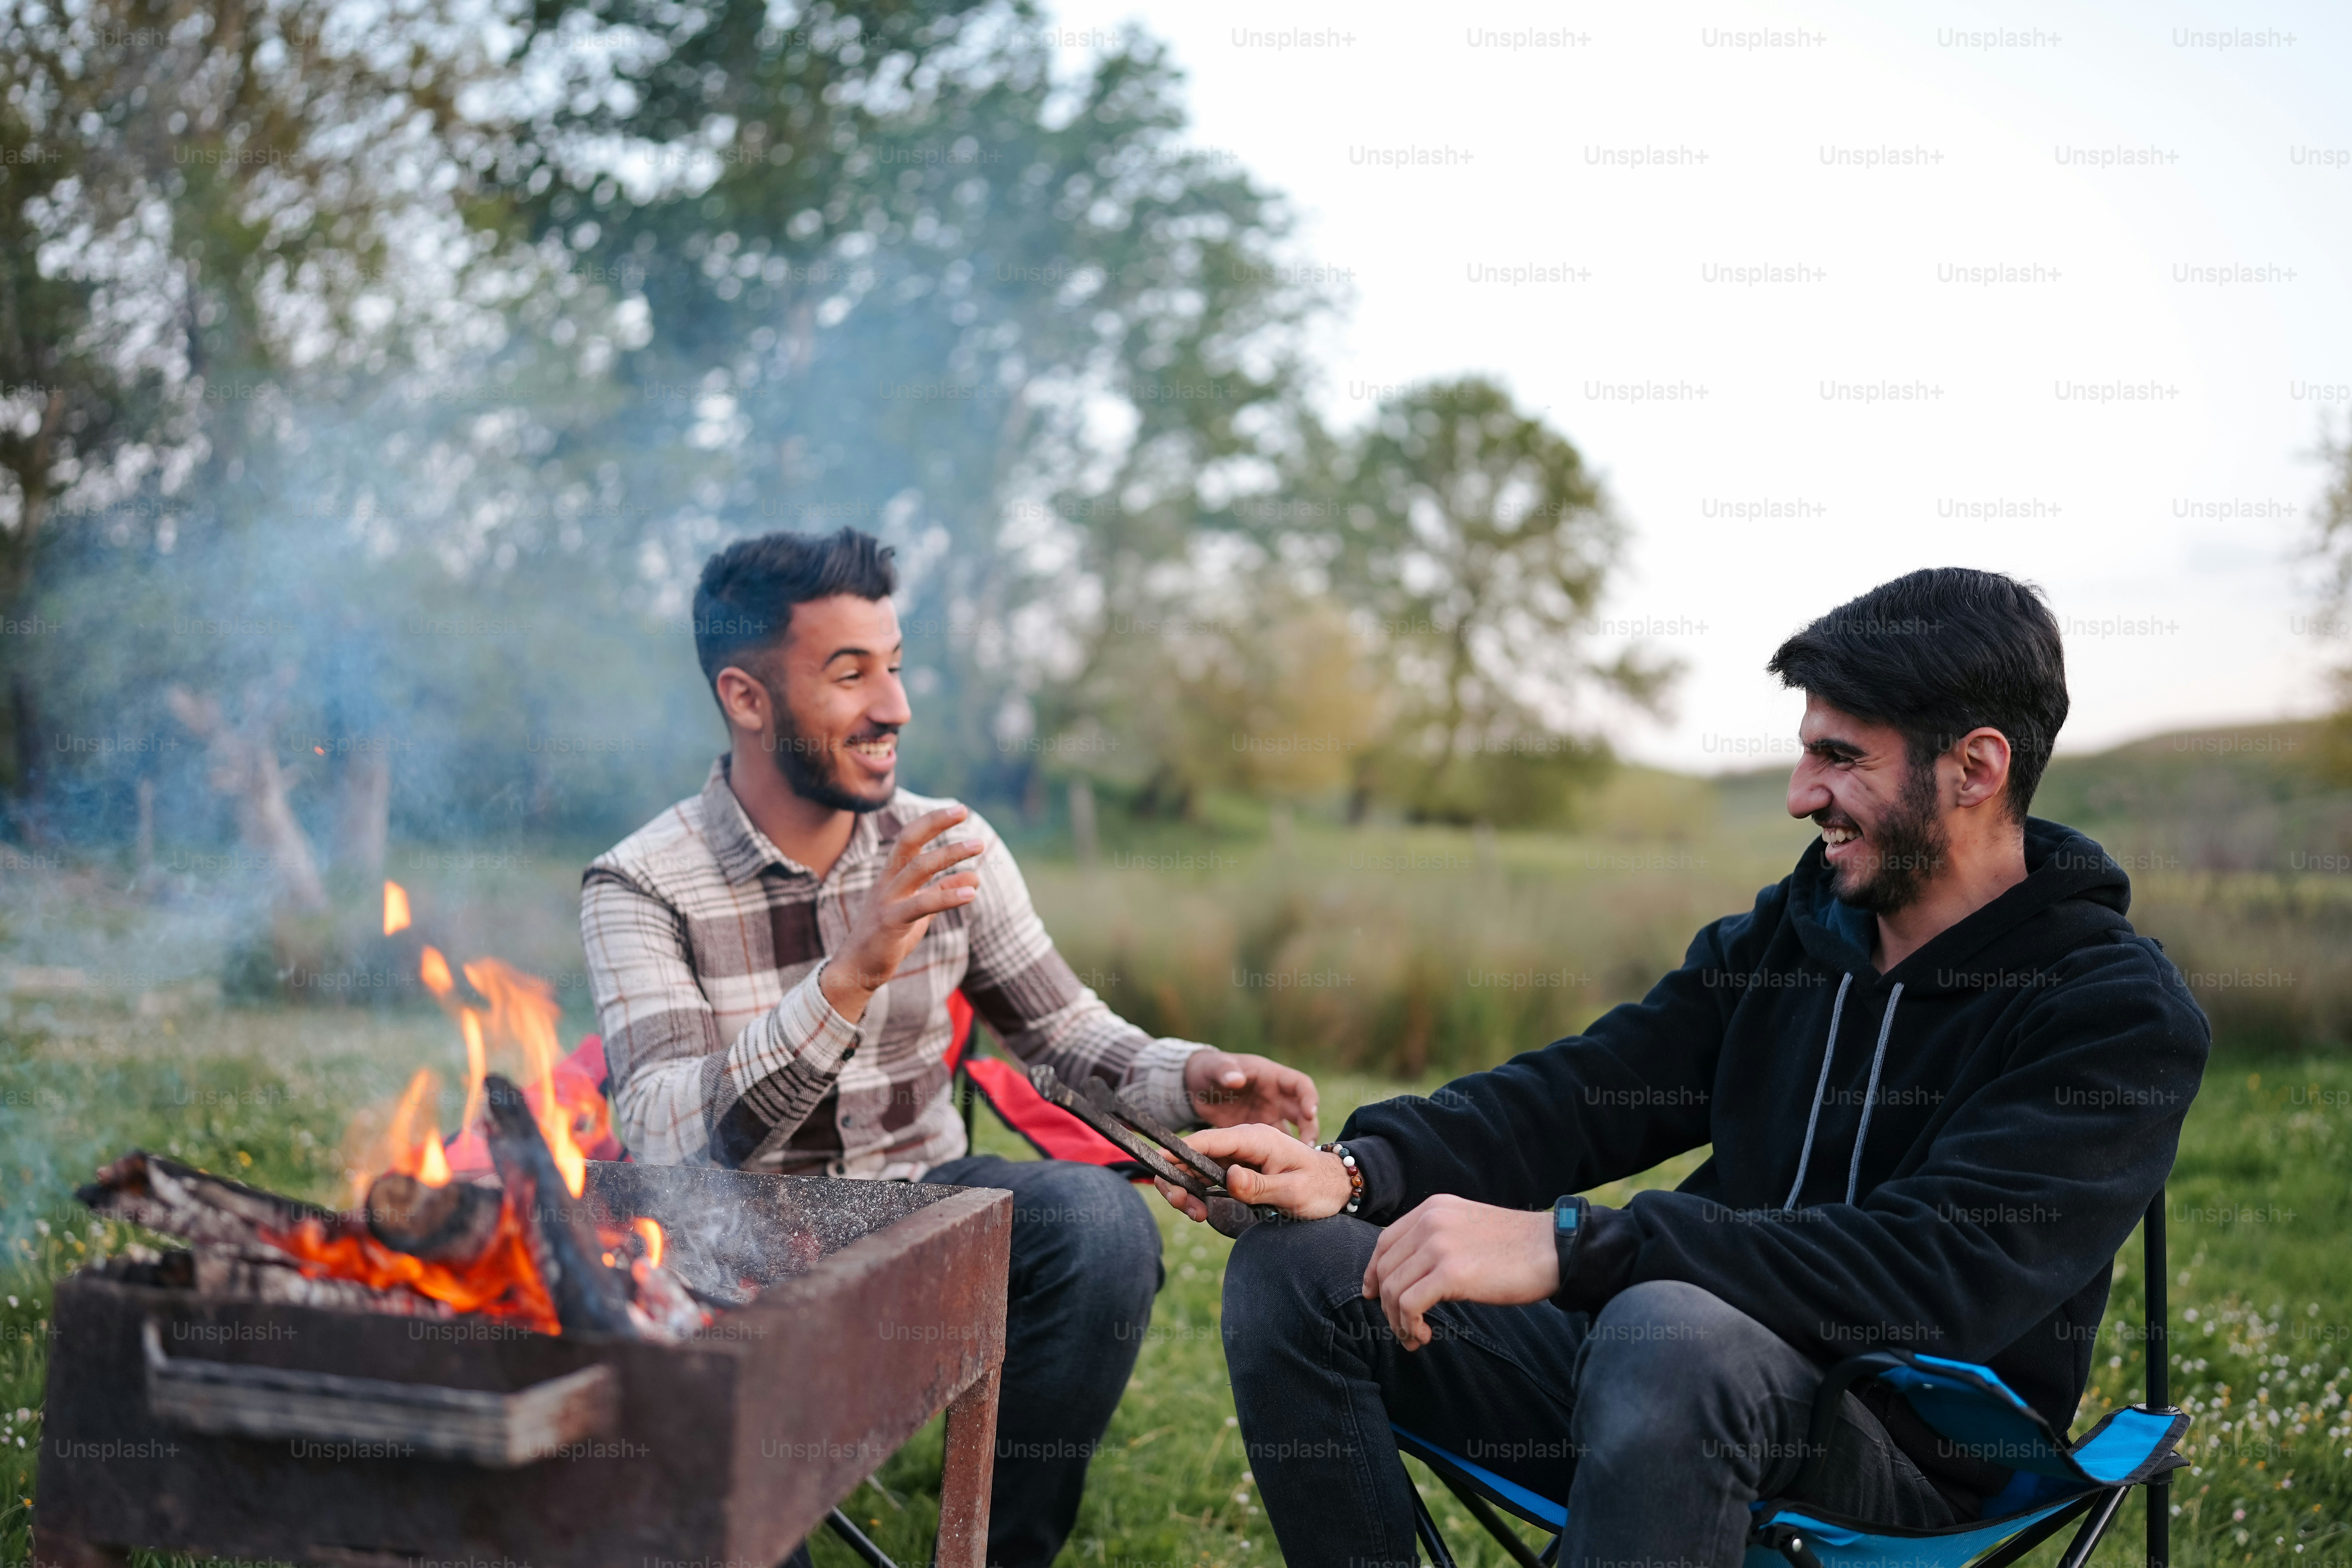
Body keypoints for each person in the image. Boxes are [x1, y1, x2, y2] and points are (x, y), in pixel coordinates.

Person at [1160, 567, 2211, 1568]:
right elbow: (1588, 1091)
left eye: (1841, 758)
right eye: (1805, 754)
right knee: (1302, 1274)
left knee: (1671, 1328)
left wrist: (1576, 1246)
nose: (1801, 795)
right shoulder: (1797, 934)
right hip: (1652, 1385)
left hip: (1907, 1457)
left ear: (1974, 770)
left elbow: (1936, 1275)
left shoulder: (2112, 1012)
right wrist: (1356, 1172)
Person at [582, 527, 1320, 1568]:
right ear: (746, 698)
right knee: (735, 1526)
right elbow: (663, 1140)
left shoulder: (947, 842)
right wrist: (845, 977)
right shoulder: (640, 884)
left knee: (1097, 1224)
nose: (895, 707)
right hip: (730, 1246)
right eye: (851, 674)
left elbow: (1062, 1034)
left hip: (921, 1209)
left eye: (894, 665)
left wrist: (1192, 1080)